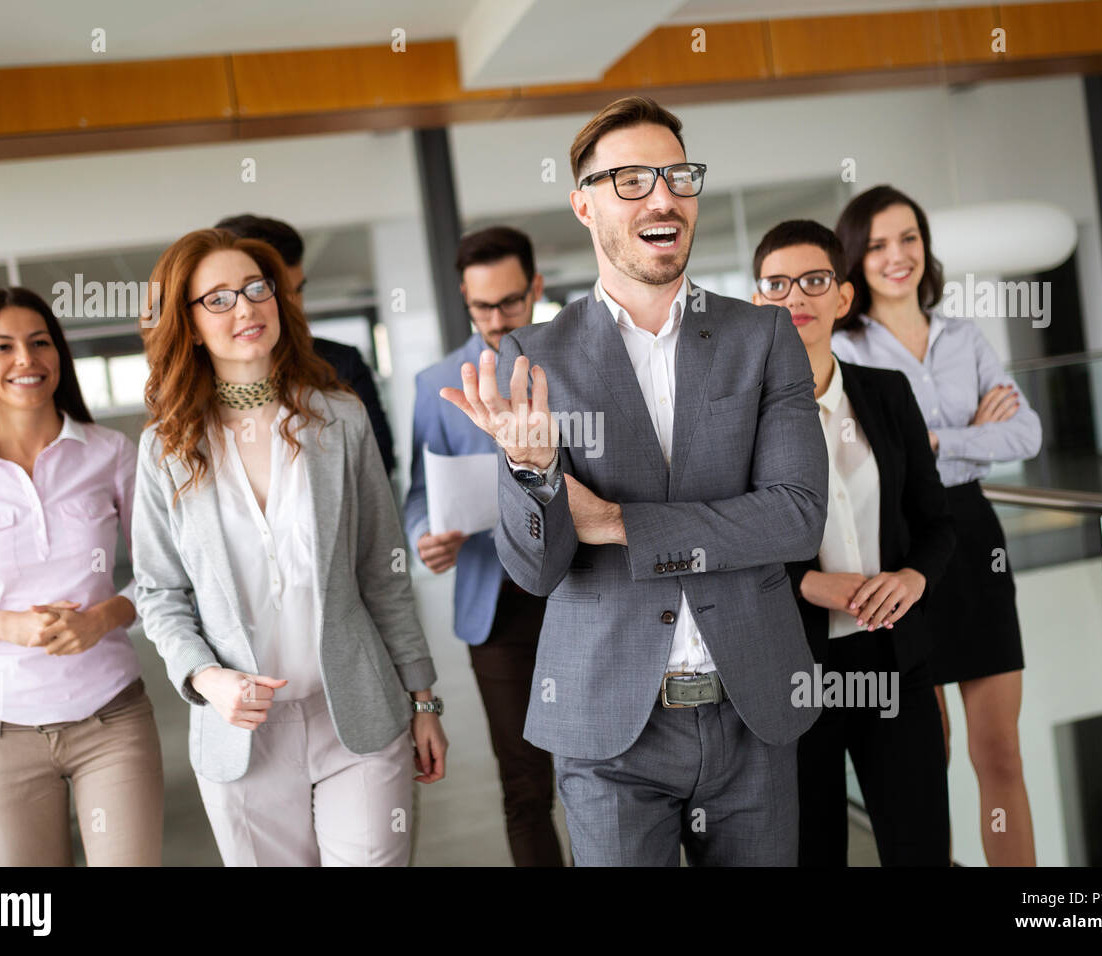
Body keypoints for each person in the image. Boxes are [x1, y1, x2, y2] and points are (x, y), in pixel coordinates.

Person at [442, 96, 828, 866]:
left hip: (753, 708)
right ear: (582, 204)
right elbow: (536, 569)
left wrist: (616, 522)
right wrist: (536, 473)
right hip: (607, 723)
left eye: (678, 176)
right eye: (631, 180)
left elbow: (795, 519)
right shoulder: (531, 355)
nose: (663, 197)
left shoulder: (763, 335)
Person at [132, 228, 445, 866]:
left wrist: (423, 699)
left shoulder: (340, 419)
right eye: (216, 299)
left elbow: (383, 573)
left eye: (256, 289)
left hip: (356, 716)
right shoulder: (165, 448)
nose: (245, 308)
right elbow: (160, 591)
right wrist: (204, 677)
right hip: (240, 736)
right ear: (187, 325)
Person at [0, 287, 162, 866]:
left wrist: (105, 617)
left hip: (111, 720)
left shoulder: (111, 452)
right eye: (3, 347)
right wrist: (7, 626)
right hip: (1, 734)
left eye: (39, 342)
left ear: (59, 355)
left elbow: (160, 575)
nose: (26, 359)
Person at [832, 185, 1042, 866]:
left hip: (977, 543)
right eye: (879, 244)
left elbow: (1027, 433)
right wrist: (971, 432)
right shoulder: (845, 349)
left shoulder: (963, 336)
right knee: (931, 757)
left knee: (999, 752)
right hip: (904, 548)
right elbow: (878, 456)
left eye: (909, 238)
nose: (898, 256)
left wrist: (938, 443)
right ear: (855, 260)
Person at [754, 220, 954, 866]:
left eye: (814, 281)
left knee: (920, 847)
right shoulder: (740, 419)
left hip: (894, 661)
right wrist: (810, 584)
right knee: (815, 854)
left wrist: (913, 579)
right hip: (796, 675)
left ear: (842, 297)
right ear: (758, 302)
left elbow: (936, 522)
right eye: (777, 284)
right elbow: (728, 547)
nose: (795, 298)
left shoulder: (887, 395)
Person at [404, 226, 563, 866]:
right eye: (482, 308)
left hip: (579, 588)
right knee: (524, 782)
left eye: (511, 303)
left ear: (537, 288)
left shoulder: (579, 361)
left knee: (602, 769)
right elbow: (419, 491)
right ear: (464, 300)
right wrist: (424, 536)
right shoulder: (435, 382)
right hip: (493, 604)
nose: (497, 321)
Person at [215, 214, 396, 476]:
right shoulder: (195, 390)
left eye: (298, 290)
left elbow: (377, 465)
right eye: (268, 291)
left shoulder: (341, 365)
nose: (294, 306)